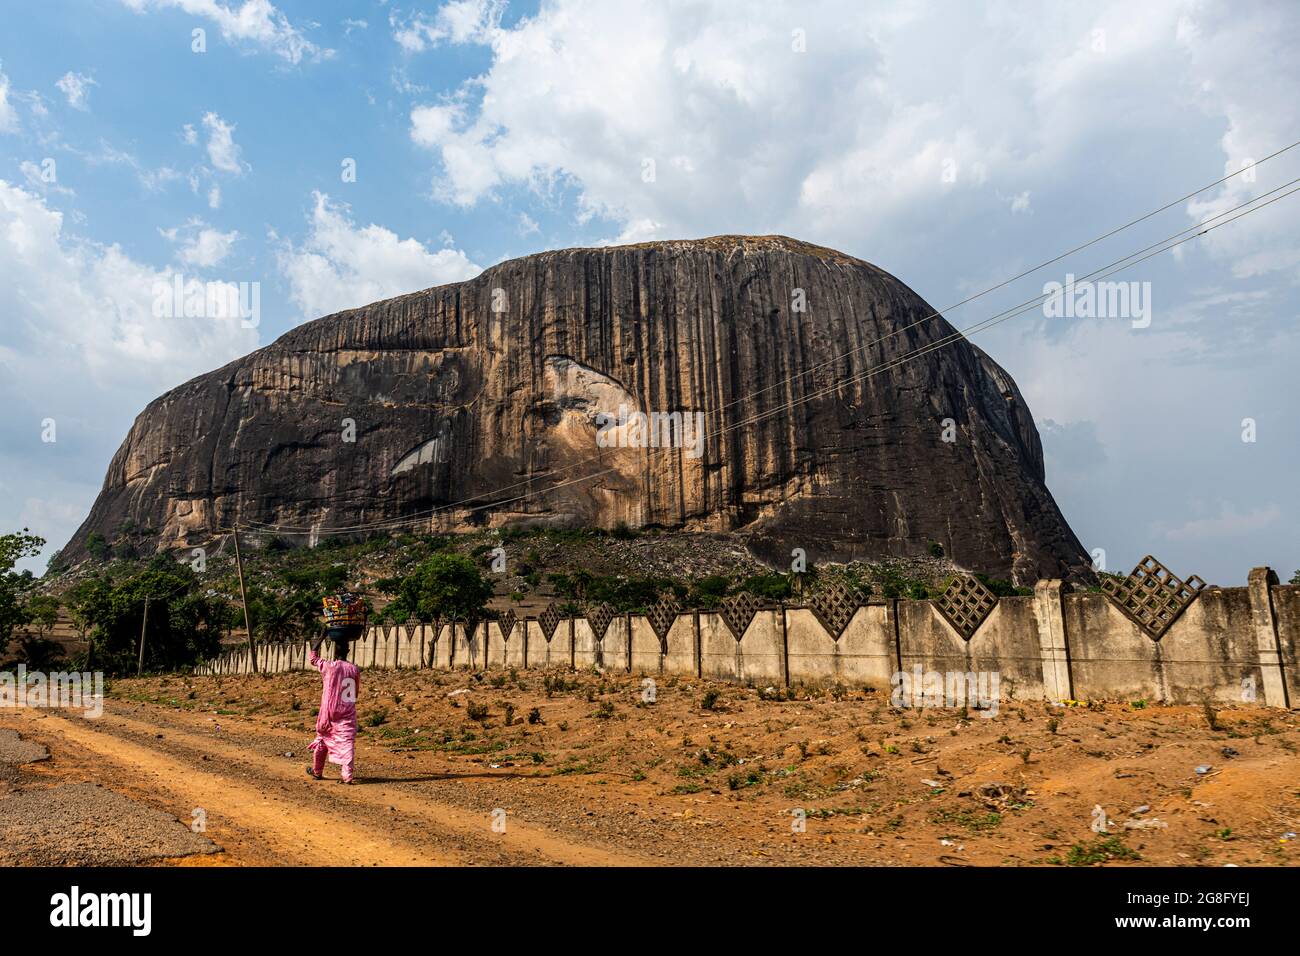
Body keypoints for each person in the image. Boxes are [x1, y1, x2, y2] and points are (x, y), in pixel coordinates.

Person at [306, 630, 361, 784]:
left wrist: (322, 636)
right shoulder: (354, 669)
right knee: (347, 743)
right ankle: (347, 776)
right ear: (348, 650)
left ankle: (318, 771)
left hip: (328, 715)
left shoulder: (329, 666)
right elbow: (355, 692)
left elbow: (313, 657)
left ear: (335, 650)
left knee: (322, 741)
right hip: (347, 713)